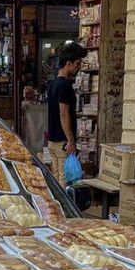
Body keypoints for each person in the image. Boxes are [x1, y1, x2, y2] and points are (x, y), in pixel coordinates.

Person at [47, 42, 87, 187]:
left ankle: (58, 206)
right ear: (68, 63)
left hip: (53, 140)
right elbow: (64, 114)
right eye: (77, 63)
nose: (79, 67)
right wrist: (70, 140)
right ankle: (63, 208)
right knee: (64, 179)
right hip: (62, 142)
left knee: (57, 178)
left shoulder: (53, 84)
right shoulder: (64, 86)